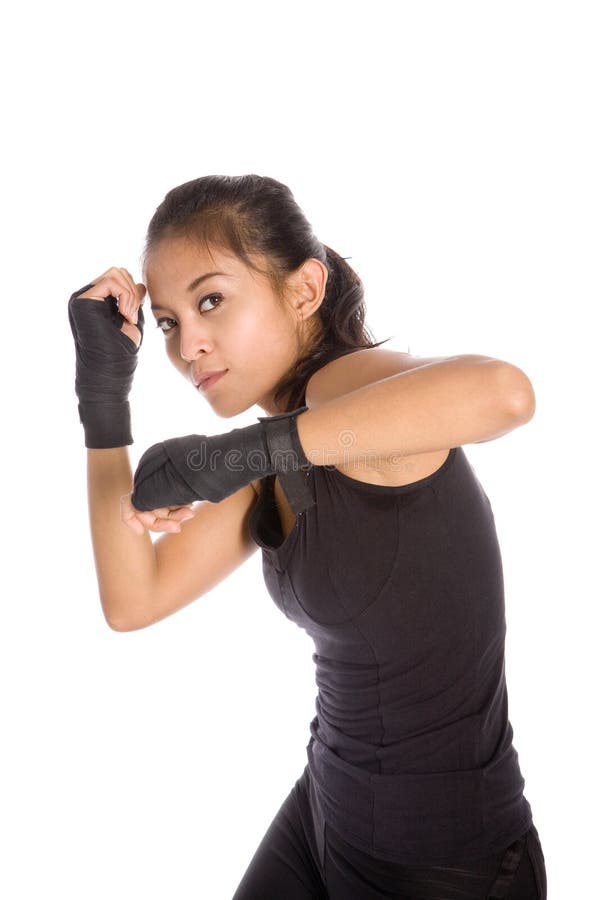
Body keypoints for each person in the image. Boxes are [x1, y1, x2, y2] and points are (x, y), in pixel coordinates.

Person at [68, 174, 547, 899]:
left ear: (303, 290)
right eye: (167, 322)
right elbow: (135, 599)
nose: (188, 344)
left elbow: (506, 392)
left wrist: (229, 457)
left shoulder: (345, 387)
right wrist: (103, 400)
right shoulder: (282, 453)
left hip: (444, 862)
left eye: (210, 301)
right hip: (326, 809)